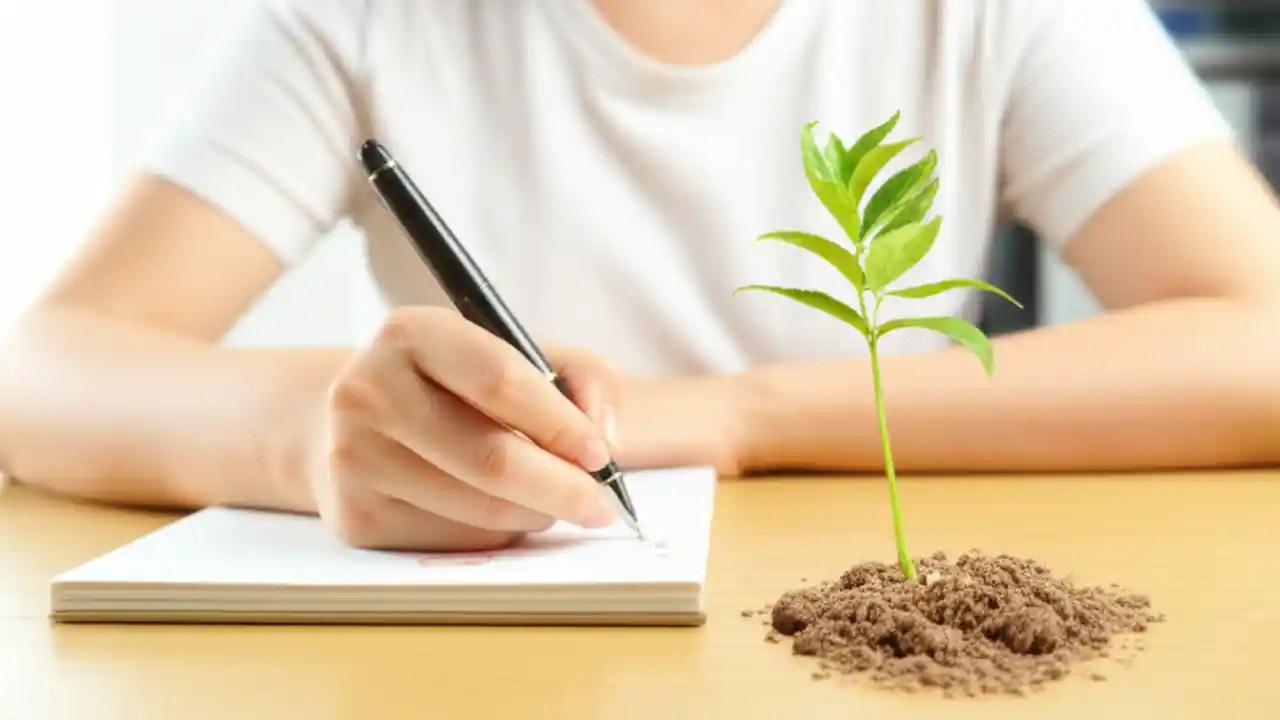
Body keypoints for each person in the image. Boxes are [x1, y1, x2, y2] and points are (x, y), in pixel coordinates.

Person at [2, 0, 1278, 551]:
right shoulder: (357, 21)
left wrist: (731, 417)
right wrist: (315, 443)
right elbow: (41, 372)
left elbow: (1259, 336)